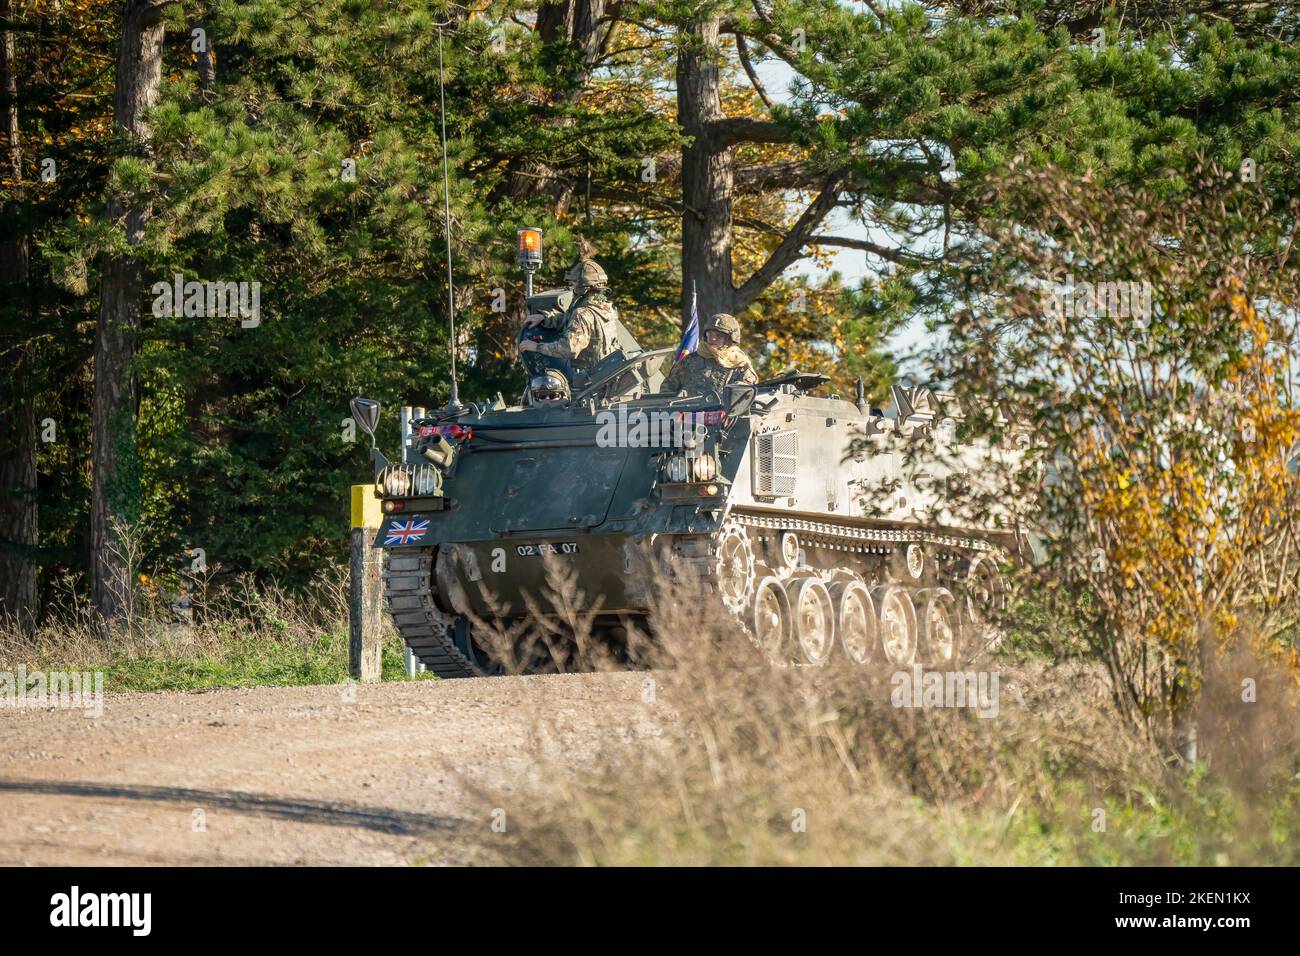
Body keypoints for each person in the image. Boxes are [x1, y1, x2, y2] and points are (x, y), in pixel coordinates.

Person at [517, 259, 621, 373]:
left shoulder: (582, 313)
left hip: (591, 380)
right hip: (610, 371)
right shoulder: (605, 308)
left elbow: (568, 348)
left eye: (574, 283)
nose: (572, 288)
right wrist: (545, 319)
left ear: (584, 285)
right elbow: (573, 320)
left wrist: (536, 347)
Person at [660, 312, 757, 396]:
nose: (712, 339)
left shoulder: (740, 365)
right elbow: (667, 389)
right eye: (709, 334)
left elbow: (744, 395)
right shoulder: (688, 361)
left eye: (718, 336)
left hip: (724, 415)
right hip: (687, 414)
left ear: (730, 339)